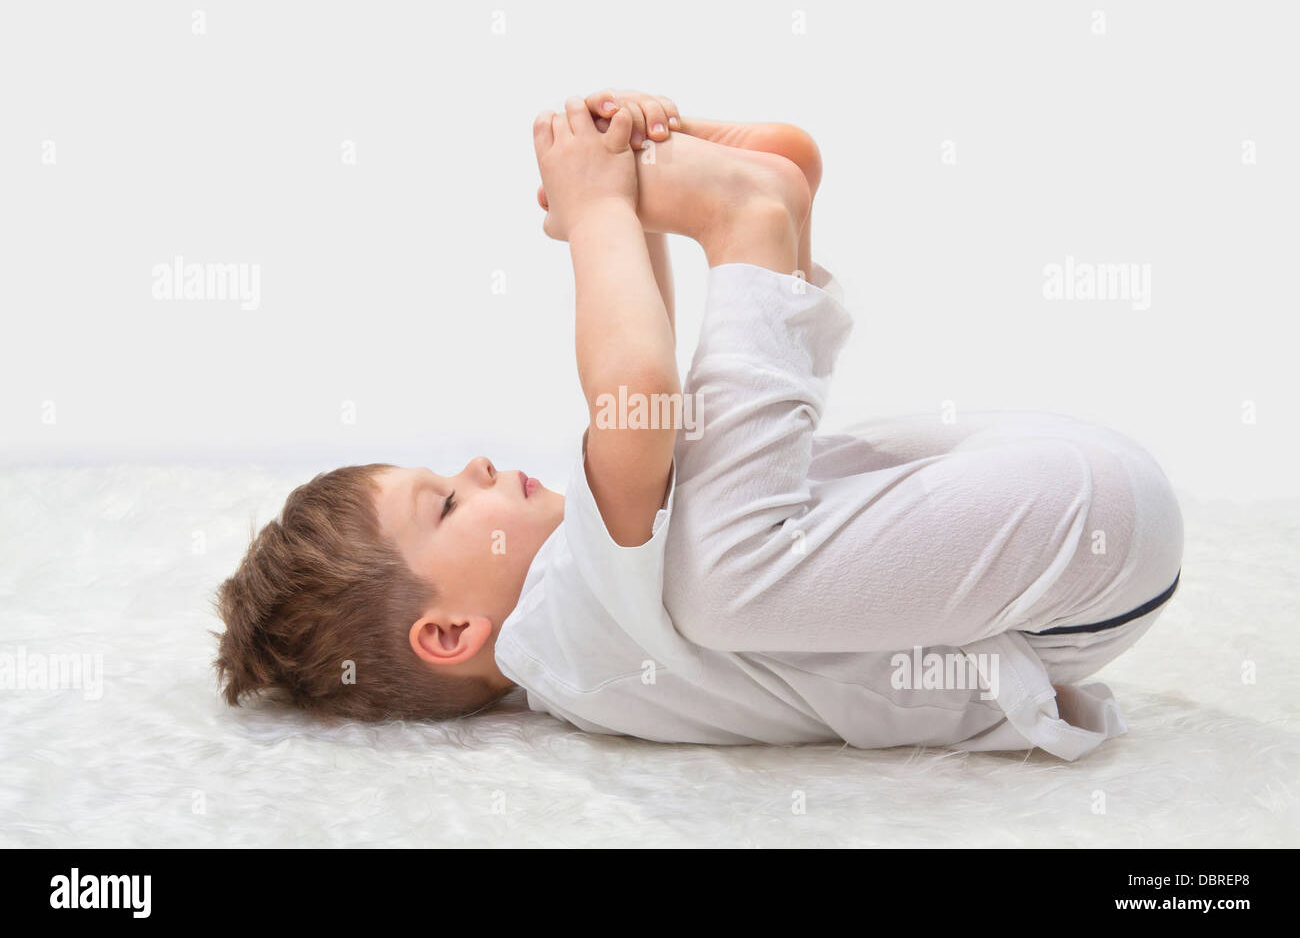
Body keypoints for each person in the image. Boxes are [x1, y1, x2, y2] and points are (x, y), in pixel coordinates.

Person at [214, 89, 1183, 760]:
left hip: (1070, 536)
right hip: (1074, 535)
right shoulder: (562, 633)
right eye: (443, 501)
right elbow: (635, 379)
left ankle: (762, 216)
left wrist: (626, 212)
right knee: (716, 574)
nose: (472, 465)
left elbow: (650, 391)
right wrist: (603, 207)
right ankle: (758, 225)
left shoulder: (593, 620)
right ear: (451, 630)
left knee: (718, 547)